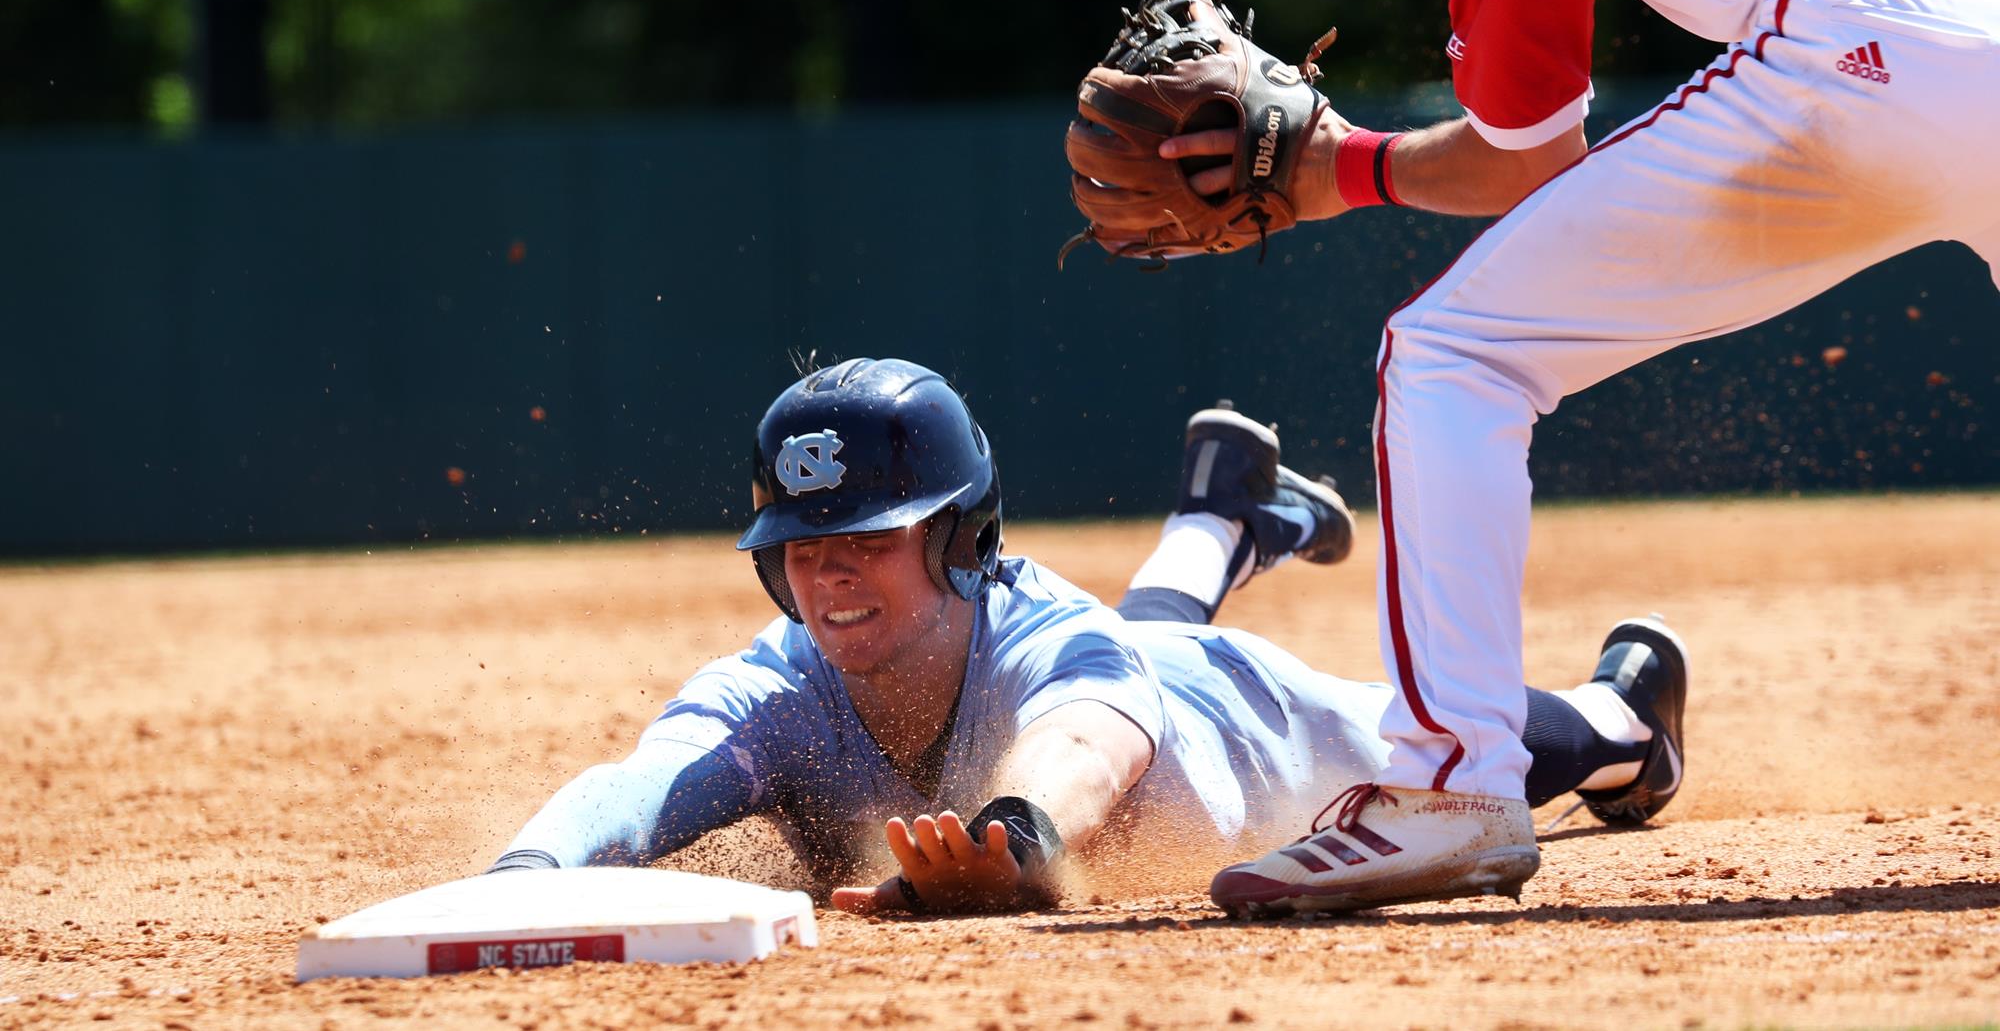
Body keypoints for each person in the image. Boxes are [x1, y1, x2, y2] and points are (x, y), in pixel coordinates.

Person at [1147, 0, 2000, 915]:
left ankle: (1452, 784)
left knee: (1451, 356)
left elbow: (1528, 159)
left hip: (1876, 36)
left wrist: (1339, 166)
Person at [487, 358, 1687, 916]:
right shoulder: (776, 688)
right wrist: (524, 877)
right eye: (801, 545)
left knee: (1472, 746)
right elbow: (641, 780)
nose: (826, 570)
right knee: (1128, 630)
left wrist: (1016, 840)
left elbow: (1085, 740)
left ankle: (1630, 717)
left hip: (1236, 715)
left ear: (961, 538)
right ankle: (1221, 522)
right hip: (1126, 649)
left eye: (866, 535)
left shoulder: (1061, 650)